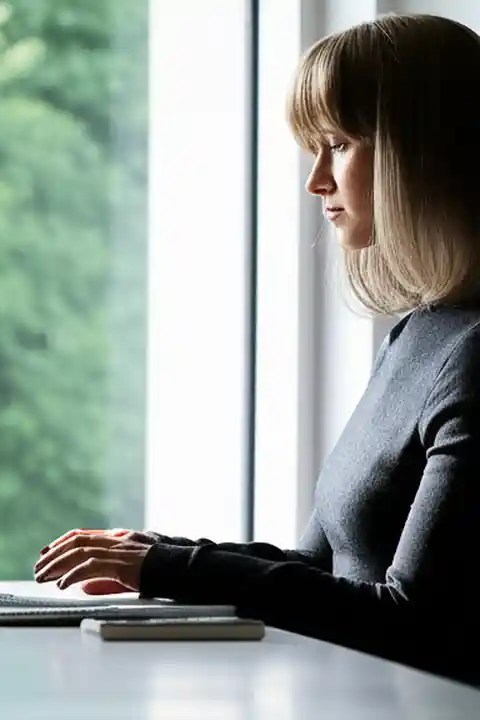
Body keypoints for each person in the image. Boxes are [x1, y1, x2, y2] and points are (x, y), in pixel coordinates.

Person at [33, 13, 480, 687]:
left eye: (339, 144)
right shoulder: (419, 332)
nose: (317, 182)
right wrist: (158, 552)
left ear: (422, 152)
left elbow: (412, 620)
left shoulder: (474, 355)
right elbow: (321, 568)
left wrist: (169, 570)